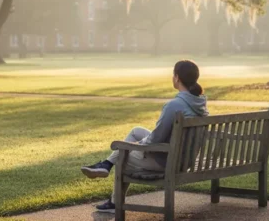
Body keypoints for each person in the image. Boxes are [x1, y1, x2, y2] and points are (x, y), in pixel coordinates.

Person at [80, 60, 209, 213]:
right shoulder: (200, 103)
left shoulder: (174, 105)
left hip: (168, 161)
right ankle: (106, 165)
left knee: (123, 155)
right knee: (136, 131)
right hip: (185, 158)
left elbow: (155, 140)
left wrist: (138, 144)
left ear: (177, 78)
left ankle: (114, 198)